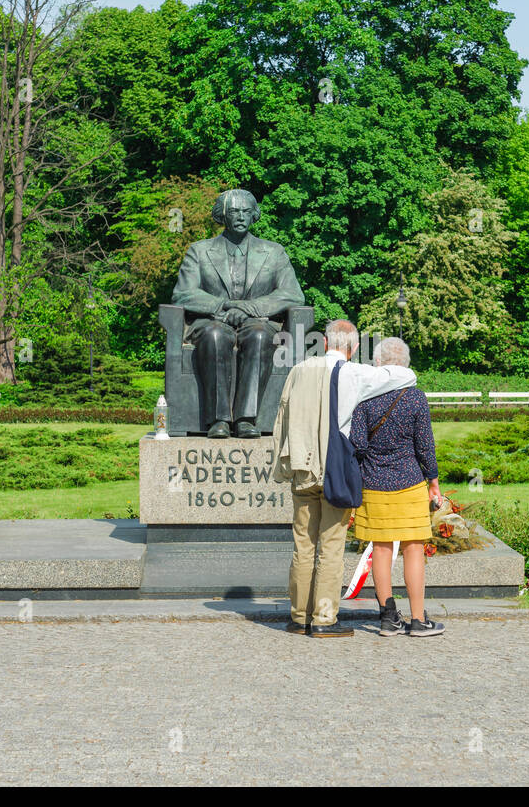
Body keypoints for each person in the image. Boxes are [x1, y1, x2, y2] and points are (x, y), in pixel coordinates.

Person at [272, 320, 416, 637]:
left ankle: (299, 616)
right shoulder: (354, 372)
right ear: (352, 347)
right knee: (331, 547)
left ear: (324, 342)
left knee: (303, 546)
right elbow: (406, 375)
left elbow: (281, 418)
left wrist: (284, 466)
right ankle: (324, 618)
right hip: (334, 470)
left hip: (301, 467)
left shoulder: (298, 369)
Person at [170, 189, 305, 438]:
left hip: (258, 321)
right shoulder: (199, 251)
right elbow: (184, 293)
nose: (240, 216)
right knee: (214, 335)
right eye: (233, 211)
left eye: (246, 211)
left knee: (260, 336)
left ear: (255, 215)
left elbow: (292, 294)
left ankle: (245, 418)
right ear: (222, 216)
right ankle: (219, 420)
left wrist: (249, 308)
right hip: (212, 321)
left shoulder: (274, 252)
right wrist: (223, 306)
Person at [350, 337, 444, 637]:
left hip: (374, 483)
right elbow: (425, 446)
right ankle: (418, 620)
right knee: (413, 549)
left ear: (378, 363)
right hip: (410, 483)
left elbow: (358, 444)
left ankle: (388, 618)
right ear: (405, 363)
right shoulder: (416, 398)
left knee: (380, 548)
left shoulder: (364, 398)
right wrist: (434, 483)